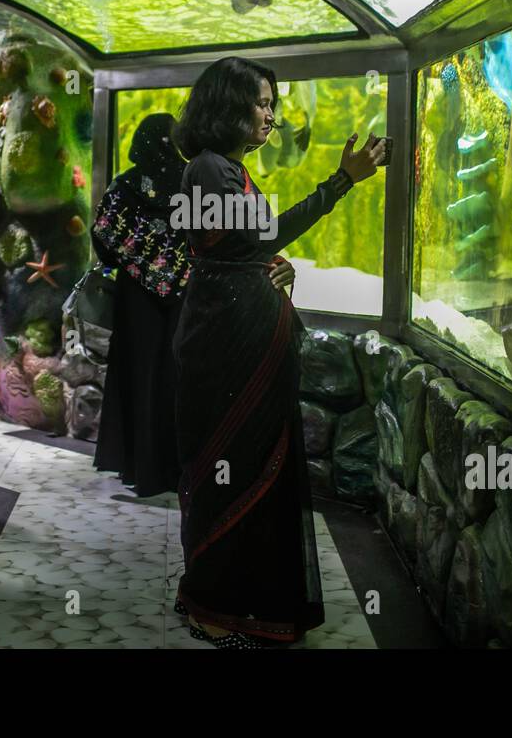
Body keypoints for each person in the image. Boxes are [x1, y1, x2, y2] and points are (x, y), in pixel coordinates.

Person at [169, 57, 385, 648]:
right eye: (261, 103)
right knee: (229, 469)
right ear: (228, 105)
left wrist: (262, 265)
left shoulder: (226, 170)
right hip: (226, 346)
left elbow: (238, 249)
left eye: (272, 103)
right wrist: (340, 182)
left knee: (250, 469)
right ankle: (217, 601)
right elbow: (254, 239)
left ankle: (244, 598)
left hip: (241, 338)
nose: (271, 114)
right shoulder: (209, 169)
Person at [90, 112, 191, 497]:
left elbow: (104, 239)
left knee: (137, 377)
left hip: (136, 302)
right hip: (182, 301)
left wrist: (137, 263)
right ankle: (175, 469)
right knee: (174, 380)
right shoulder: (191, 184)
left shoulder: (125, 186)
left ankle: (136, 466)